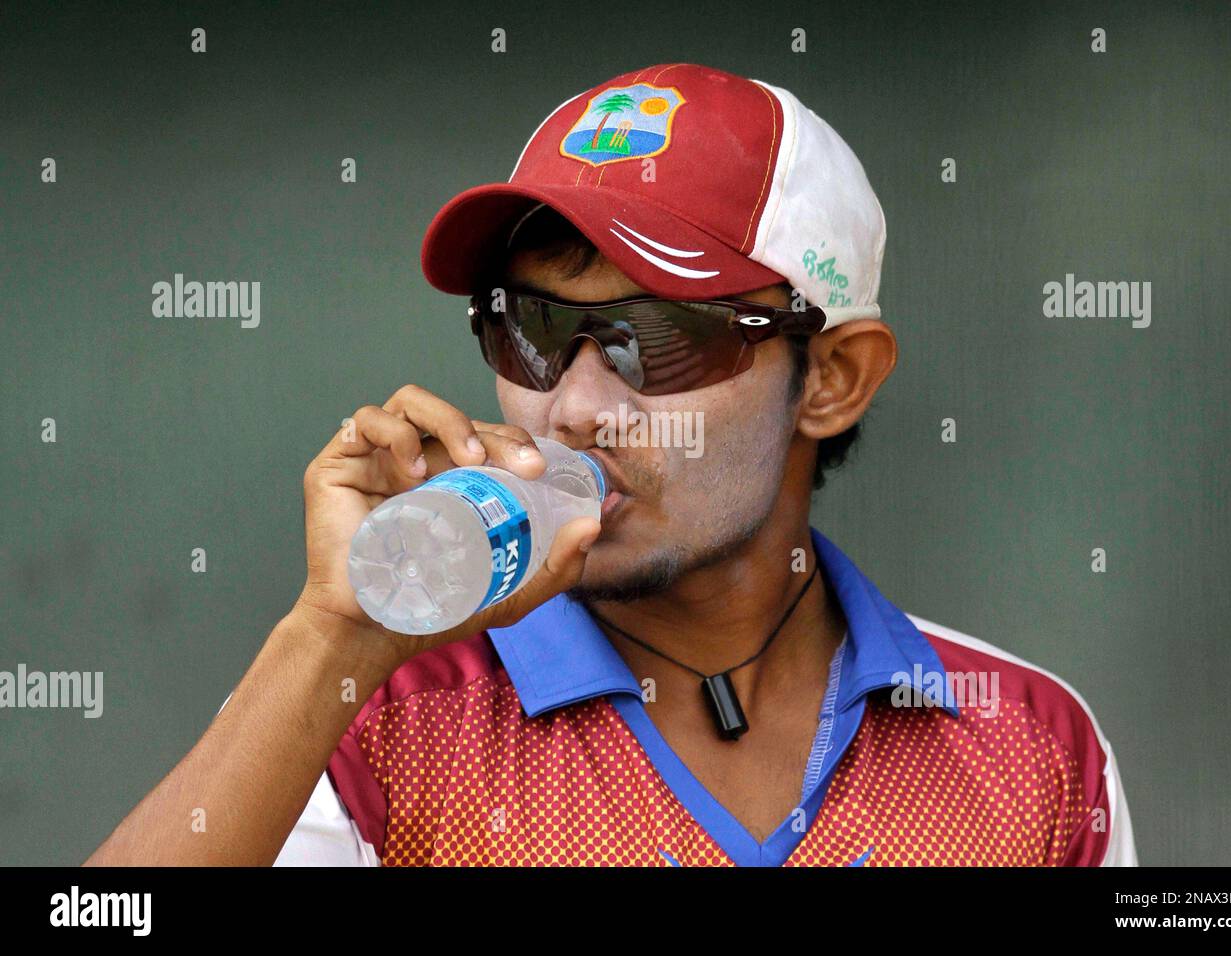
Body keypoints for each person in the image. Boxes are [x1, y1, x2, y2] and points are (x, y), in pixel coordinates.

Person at [87, 63, 1136, 867]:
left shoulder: (1029, 740)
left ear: (833, 378)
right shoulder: (382, 716)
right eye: (530, 330)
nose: (575, 406)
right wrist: (329, 641)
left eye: (659, 335)